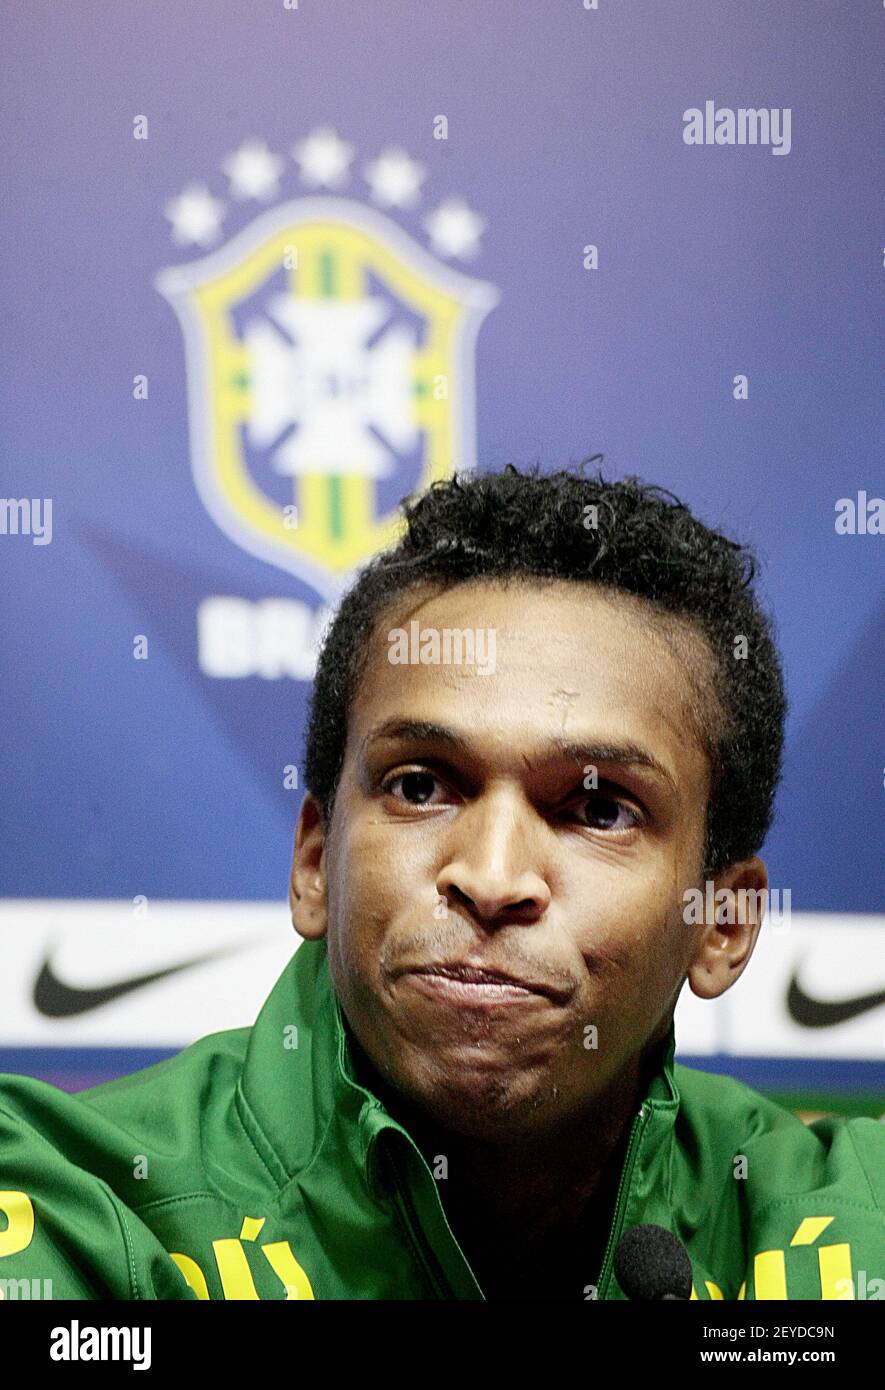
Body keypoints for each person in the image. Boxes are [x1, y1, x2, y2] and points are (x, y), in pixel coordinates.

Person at [1, 461, 882, 1301]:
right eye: (419, 786)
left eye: (599, 808)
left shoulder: (849, 1228)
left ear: (721, 921)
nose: (491, 878)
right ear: (314, 862)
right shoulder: (76, 1203)